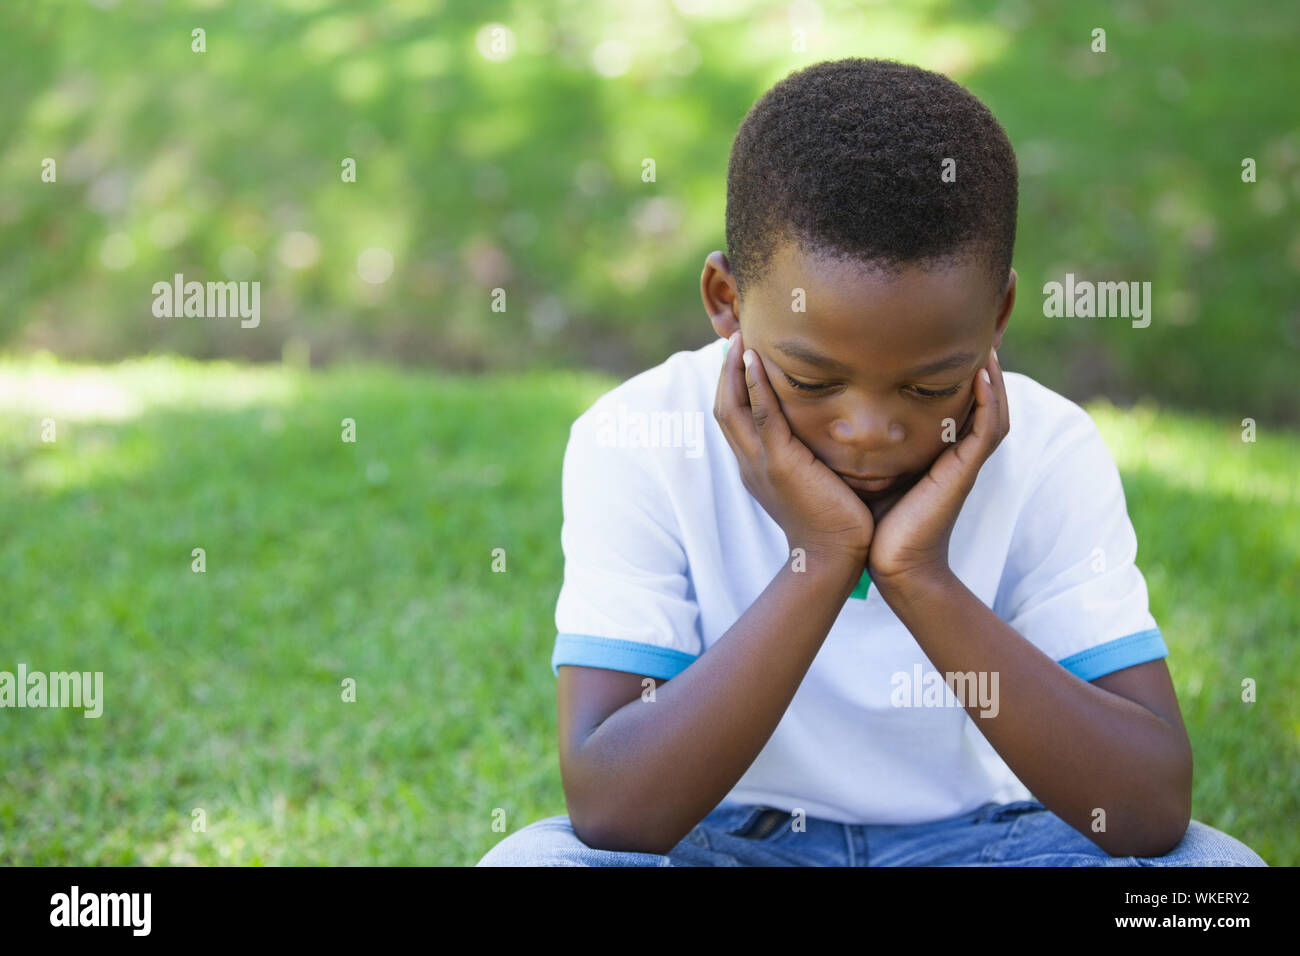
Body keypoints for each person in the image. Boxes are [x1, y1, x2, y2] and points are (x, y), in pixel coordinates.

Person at [478, 58, 1266, 866]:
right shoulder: (638, 436)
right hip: (735, 843)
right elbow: (614, 811)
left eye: (929, 387)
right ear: (725, 300)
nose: (869, 432)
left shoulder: (1049, 450)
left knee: (1216, 874)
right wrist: (820, 559)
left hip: (998, 843)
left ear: (996, 316)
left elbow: (1148, 811)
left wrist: (918, 575)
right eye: (813, 380)